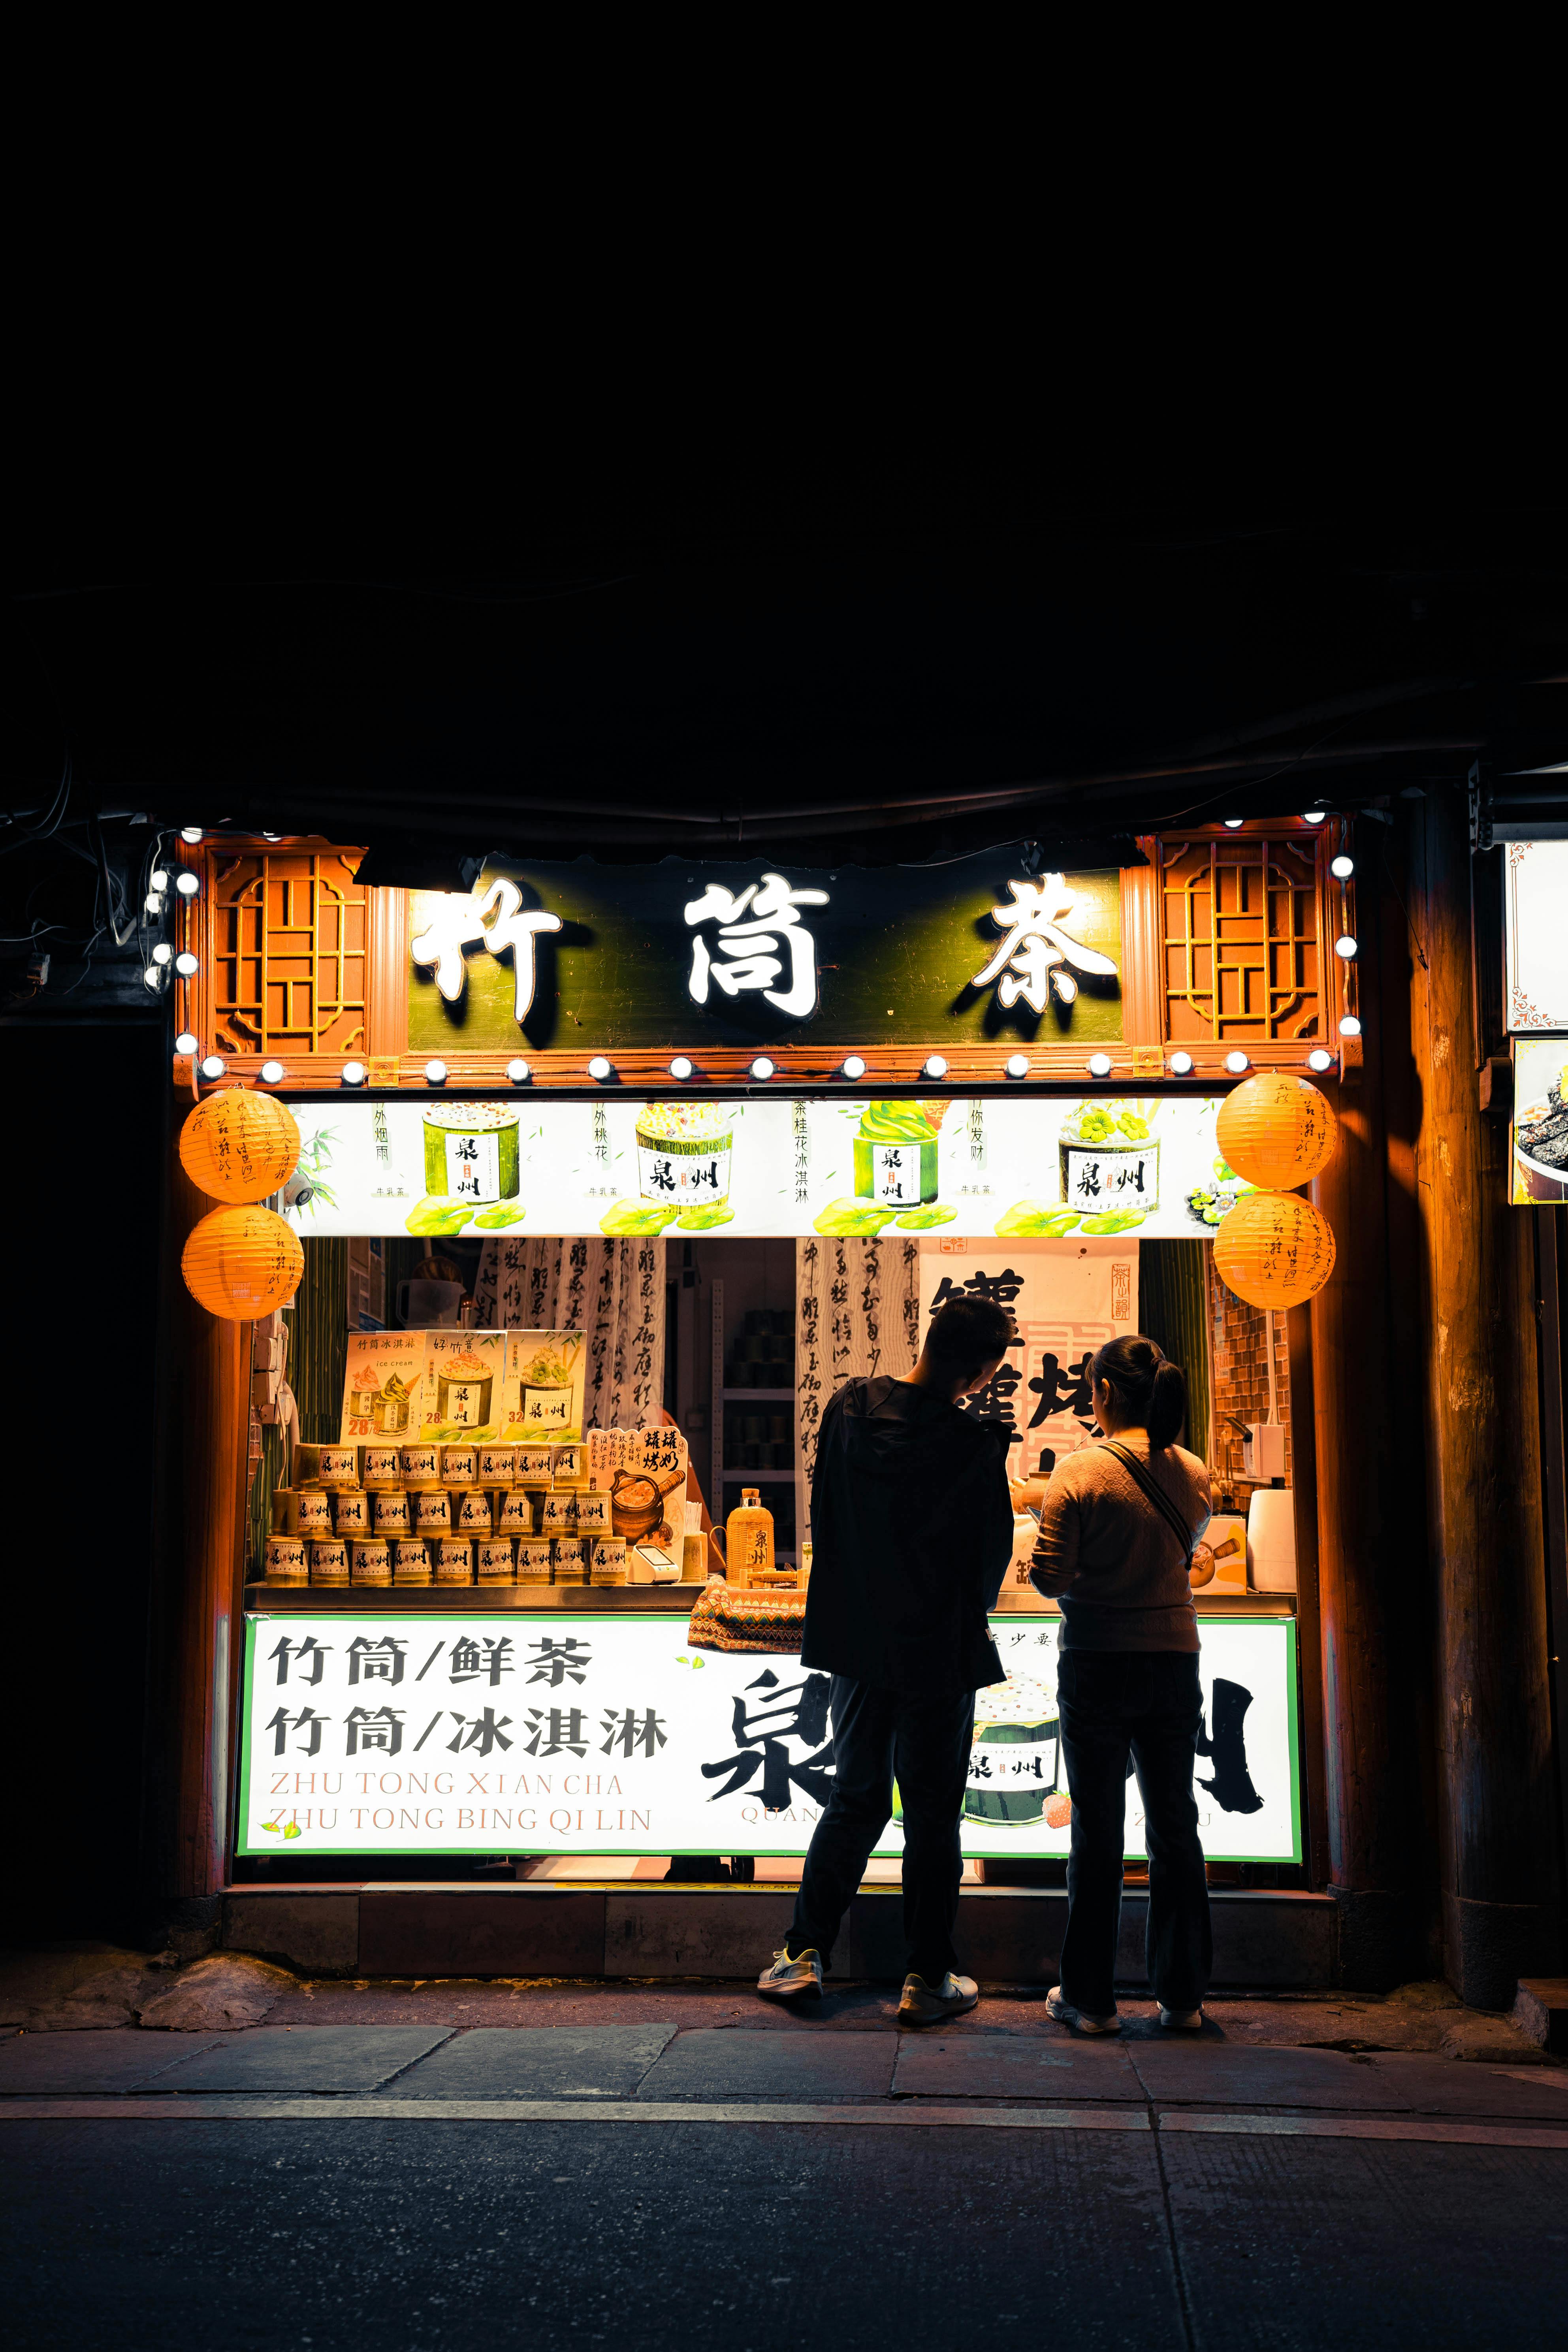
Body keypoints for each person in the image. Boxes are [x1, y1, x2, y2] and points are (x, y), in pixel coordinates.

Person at [756, 1292, 1015, 2024]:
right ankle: (927, 1977)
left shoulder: (849, 1408)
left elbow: (825, 1517)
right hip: (937, 1649)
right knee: (932, 1815)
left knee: (856, 1797)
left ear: (929, 1337)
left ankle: (802, 1954)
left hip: (858, 1642)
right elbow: (988, 1567)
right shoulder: (971, 1447)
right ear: (980, 1370)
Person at [1030, 1334, 1213, 2035]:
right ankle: (1183, 1997)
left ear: (1103, 1392)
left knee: (1097, 1832)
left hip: (1098, 1660)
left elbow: (1050, 1577)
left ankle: (1091, 2000)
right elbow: (1184, 1551)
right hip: (1173, 1658)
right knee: (1175, 1828)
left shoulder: (1079, 1472)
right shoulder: (1192, 1470)